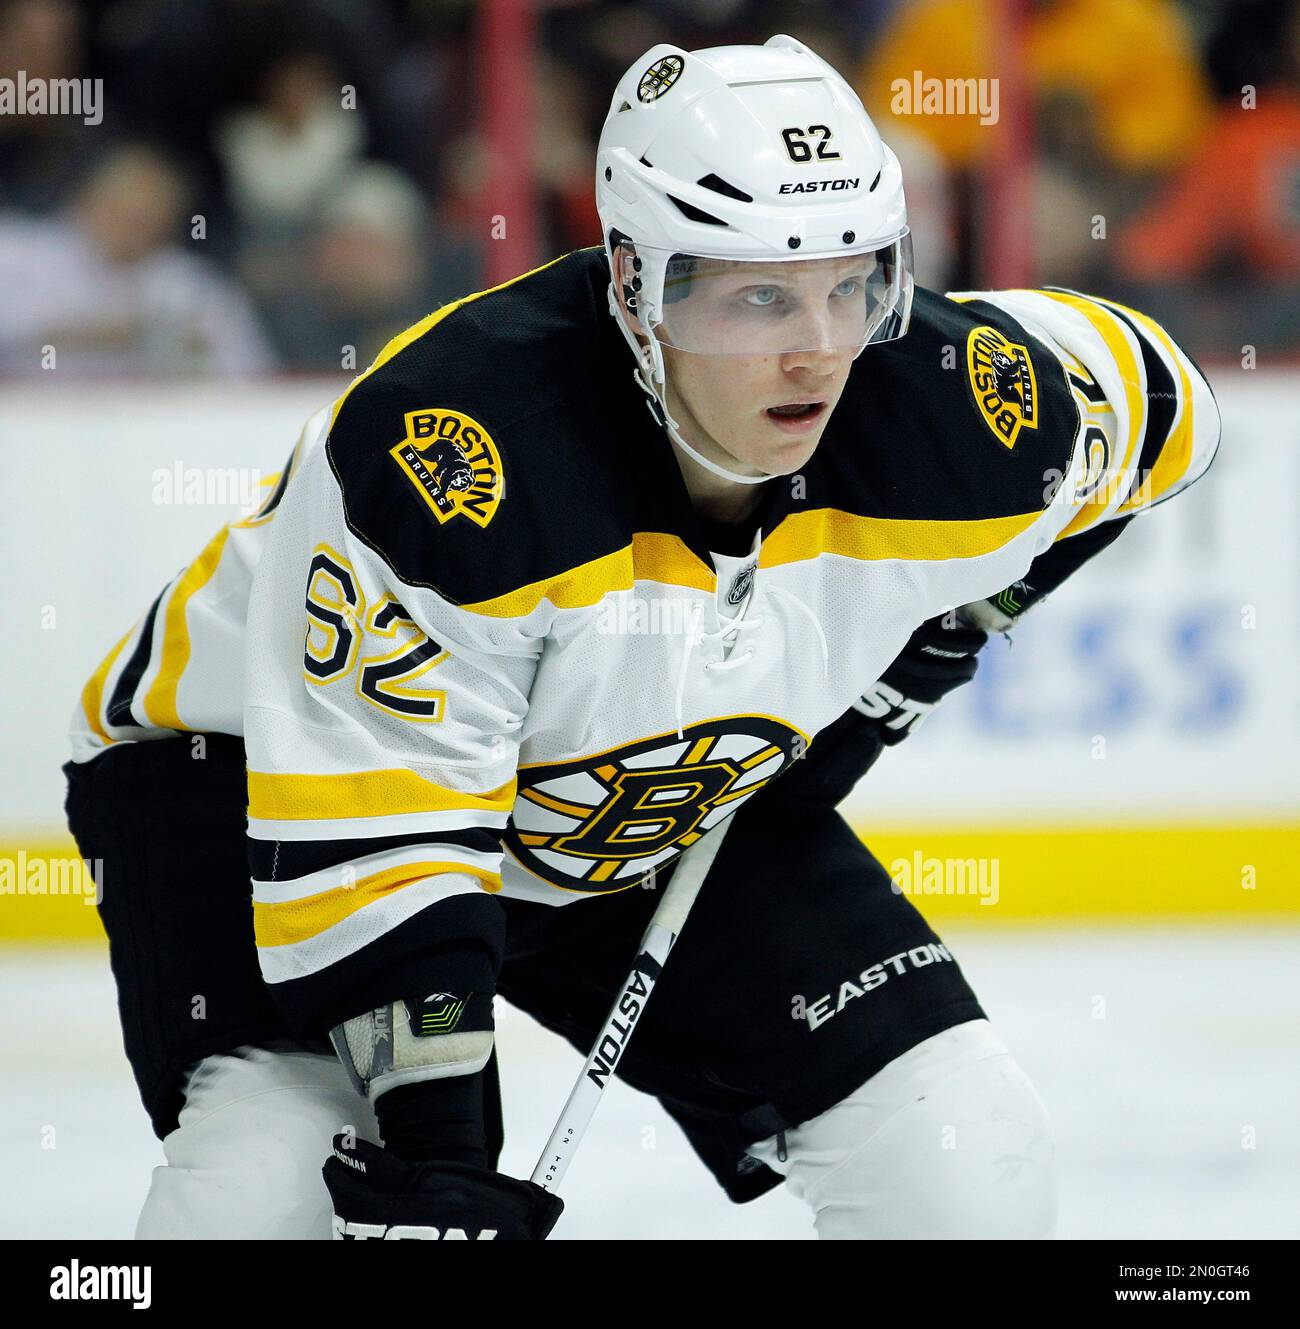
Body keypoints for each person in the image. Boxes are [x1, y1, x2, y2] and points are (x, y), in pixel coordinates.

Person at [64, 35, 1220, 1240]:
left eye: (851, 282)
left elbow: (1160, 417)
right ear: (633, 281)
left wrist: (942, 639)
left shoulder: (954, 406)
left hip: (624, 799)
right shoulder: (460, 455)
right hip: (261, 784)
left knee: (958, 1148)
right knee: (275, 1193)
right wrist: (442, 1159)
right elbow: (378, 843)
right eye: (757, 295)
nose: (816, 350)